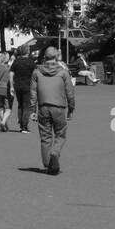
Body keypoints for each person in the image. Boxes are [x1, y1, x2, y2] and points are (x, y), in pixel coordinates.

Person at [30, 46, 76, 175]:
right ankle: (55, 152)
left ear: (44, 57)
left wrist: (33, 110)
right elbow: (70, 93)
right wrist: (71, 108)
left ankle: (47, 164)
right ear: (56, 57)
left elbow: (33, 92)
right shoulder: (63, 73)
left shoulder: (36, 72)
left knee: (45, 137)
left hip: (43, 107)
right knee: (60, 134)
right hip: (59, 107)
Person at [10, 48, 35, 133]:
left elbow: (11, 74)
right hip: (28, 85)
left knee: (20, 105)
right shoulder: (31, 62)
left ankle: (21, 124)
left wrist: (11, 86)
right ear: (28, 52)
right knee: (26, 105)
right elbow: (35, 73)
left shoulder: (16, 61)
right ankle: (24, 126)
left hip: (18, 85)